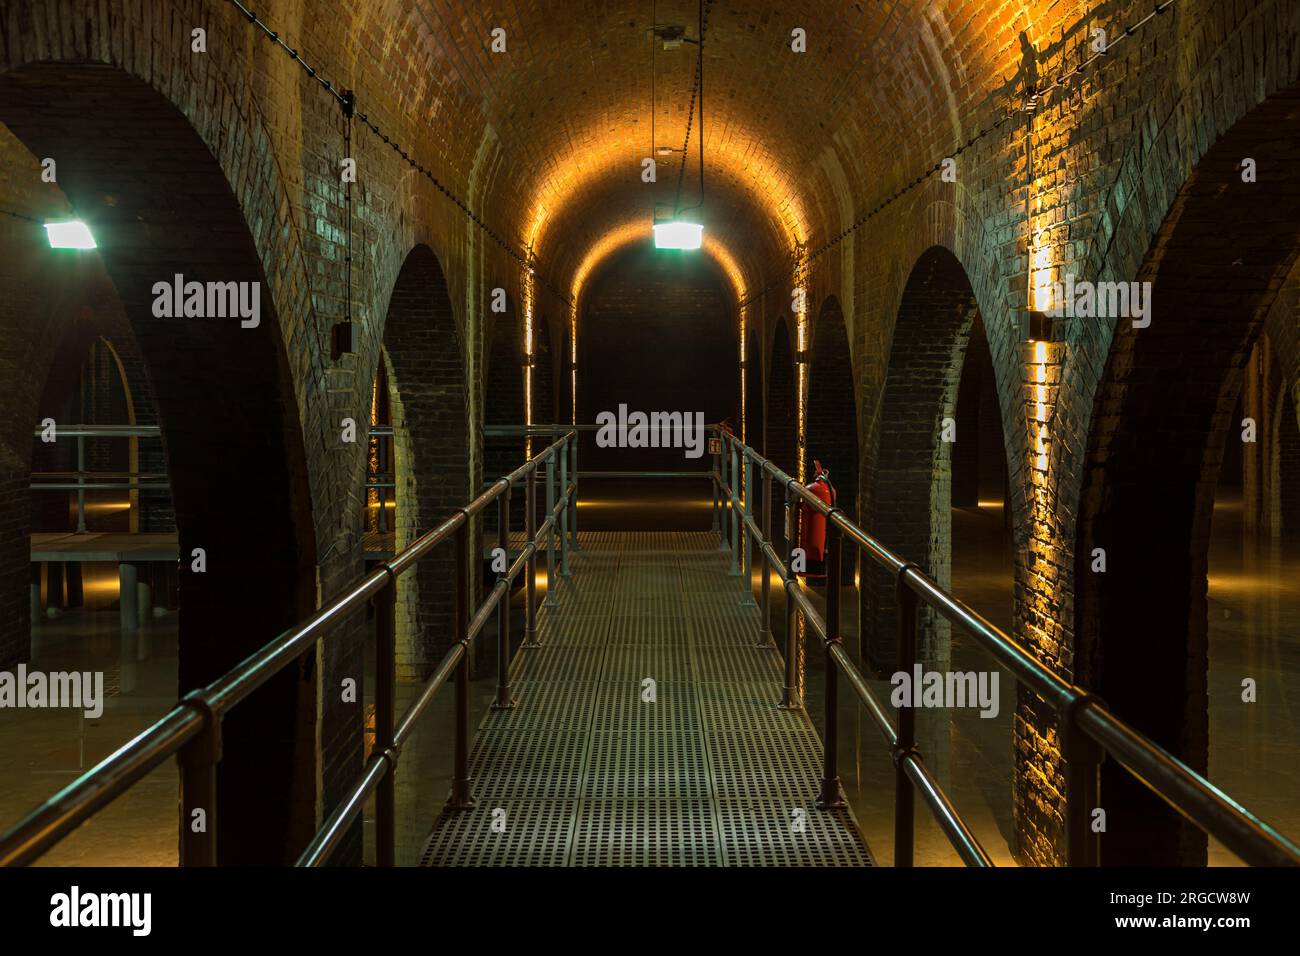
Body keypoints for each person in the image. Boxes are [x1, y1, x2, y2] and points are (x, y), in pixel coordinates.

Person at [798, 458, 836, 579]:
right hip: (810, 546)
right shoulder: (827, 491)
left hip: (810, 545)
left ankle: (798, 568)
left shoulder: (813, 490)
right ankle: (800, 567)